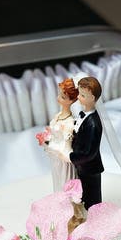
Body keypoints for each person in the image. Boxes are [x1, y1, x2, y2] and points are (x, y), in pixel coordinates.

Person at [37, 78, 79, 192]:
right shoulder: (59, 115)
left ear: (71, 101)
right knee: (57, 183)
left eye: (63, 97)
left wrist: (48, 143)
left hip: (63, 160)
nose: (58, 98)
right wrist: (47, 137)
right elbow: (54, 133)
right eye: (59, 94)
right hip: (55, 158)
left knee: (63, 185)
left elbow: (66, 147)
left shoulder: (69, 122)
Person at [70, 76, 104, 210]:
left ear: (93, 98)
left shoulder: (93, 123)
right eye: (79, 93)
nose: (78, 97)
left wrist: (71, 156)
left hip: (90, 167)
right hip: (82, 166)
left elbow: (90, 152)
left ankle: (96, 220)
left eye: (83, 95)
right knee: (82, 196)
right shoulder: (81, 114)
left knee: (92, 199)